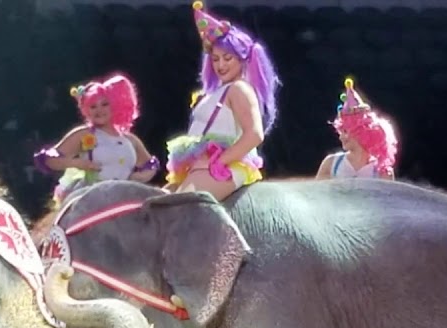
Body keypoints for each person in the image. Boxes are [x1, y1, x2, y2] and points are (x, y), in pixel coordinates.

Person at [164, 1, 279, 202]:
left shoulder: (239, 88)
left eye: (227, 58)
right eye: (215, 59)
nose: (221, 64)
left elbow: (254, 135)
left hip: (227, 166)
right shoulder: (213, 92)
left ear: (242, 59)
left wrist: (219, 162)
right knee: (154, 205)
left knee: (180, 208)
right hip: (199, 166)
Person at [33, 74, 161, 206]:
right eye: (93, 106)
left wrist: (140, 177)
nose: (98, 110)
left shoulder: (130, 139)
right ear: (86, 110)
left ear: (116, 105)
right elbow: (48, 160)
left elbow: (150, 165)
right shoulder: (83, 134)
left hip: (125, 199)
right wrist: (79, 163)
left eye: (104, 104)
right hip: (92, 200)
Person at [314, 77, 399, 180]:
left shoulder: (383, 171)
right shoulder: (331, 164)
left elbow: (389, 196)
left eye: (345, 131)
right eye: (340, 131)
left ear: (361, 132)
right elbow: (316, 195)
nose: (340, 137)